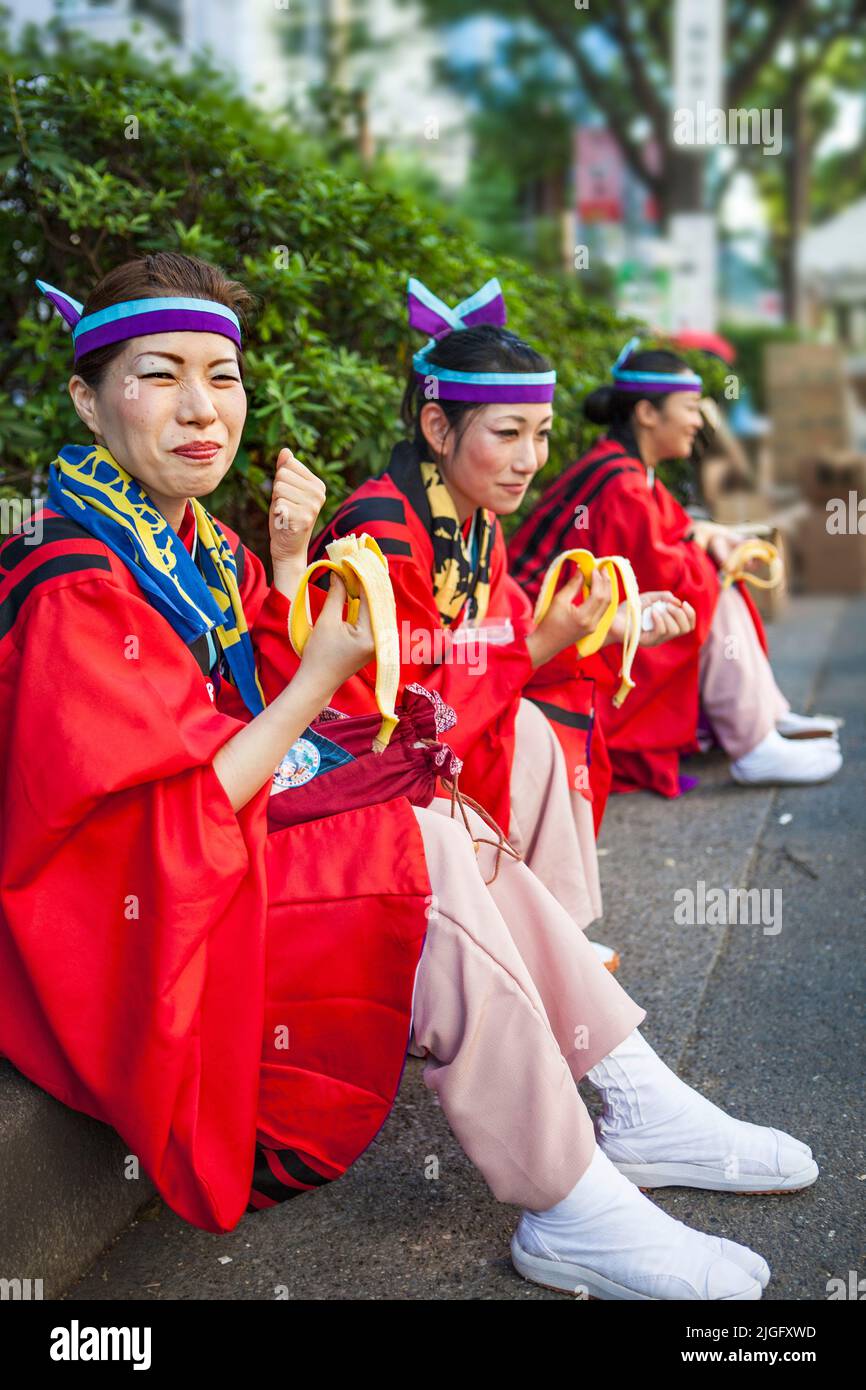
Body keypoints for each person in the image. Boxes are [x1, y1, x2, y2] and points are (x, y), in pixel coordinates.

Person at [0, 254, 817, 1302]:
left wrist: (294, 576)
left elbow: (301, 689)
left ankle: (625, 1088)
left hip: (217, 842)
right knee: (430, 832)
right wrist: (359, 663)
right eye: (160, 376)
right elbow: (184, 806)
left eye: (224, 375)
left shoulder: (188, 538)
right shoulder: (79, 575)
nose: (203, 408)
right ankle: (567, 1197)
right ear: (86, 394)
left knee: (447, 813)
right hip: (126, 920)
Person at [311, 278, 696, 971]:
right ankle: (507, 942)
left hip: (445, 727)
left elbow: (501, 632)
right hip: (356, 768)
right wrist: (547, 640)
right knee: (526, 726)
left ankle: (548, 929)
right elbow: (393, 713)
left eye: (541, 435)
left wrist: (608, 624)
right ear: (437, 428)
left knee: (542, 724)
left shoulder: (475, 518)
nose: (531, 460)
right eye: (509, 433)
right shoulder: (382, 536)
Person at [508, 340, 843, 799]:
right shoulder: (622, 484)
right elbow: (666, 574)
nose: (697, 421)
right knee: (706, 586)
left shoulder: (626, 469)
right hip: (552, 642)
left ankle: (763, 715)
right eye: (688, 408)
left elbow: (677, 534)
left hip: (568, 629)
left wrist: (709, 537)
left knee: (709, 576)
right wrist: (711, 551)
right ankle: (752, 739)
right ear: (647, 413)